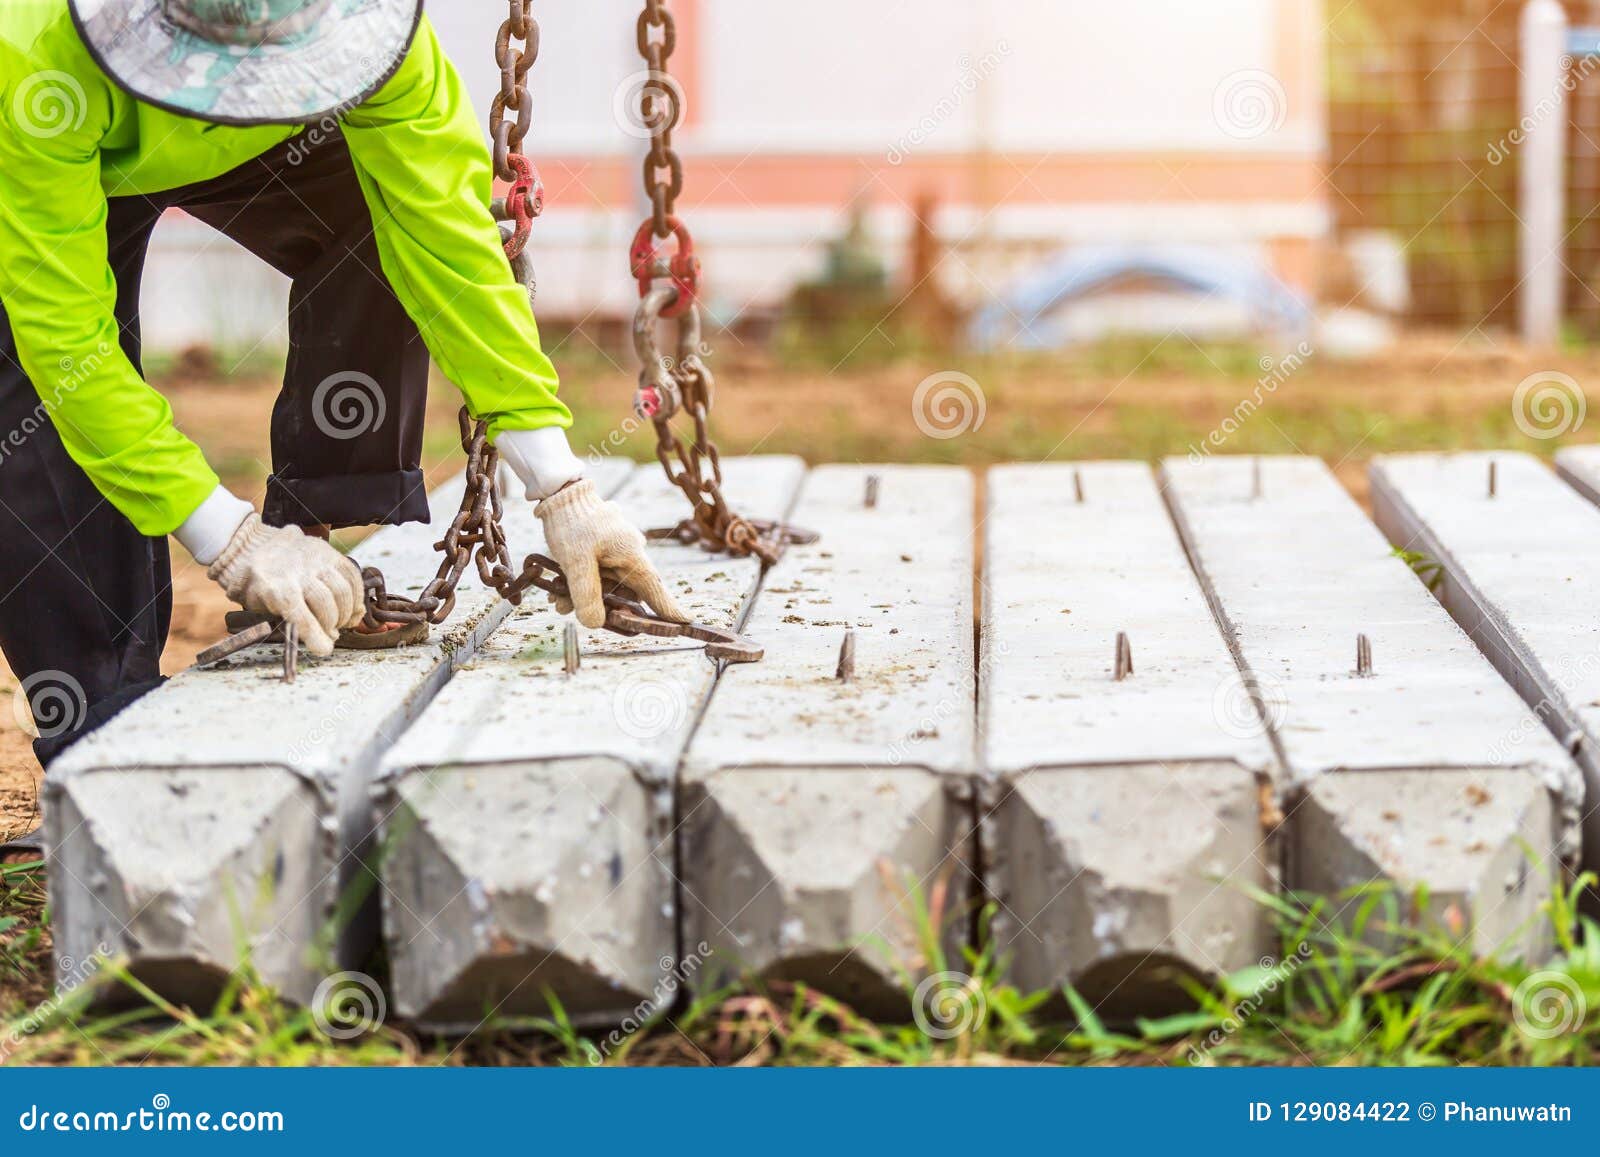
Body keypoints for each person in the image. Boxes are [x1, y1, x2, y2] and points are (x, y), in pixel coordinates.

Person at [0, 0, 685, 857]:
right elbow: (67, 340)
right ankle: (104, 723)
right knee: (28, 384)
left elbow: (444, 236)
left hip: (274, 133)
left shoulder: (382, 39)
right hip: (60, 136)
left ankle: (322, 514)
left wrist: (560, 480)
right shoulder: (32, 48)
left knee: (383, 203)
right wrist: (230, 540)